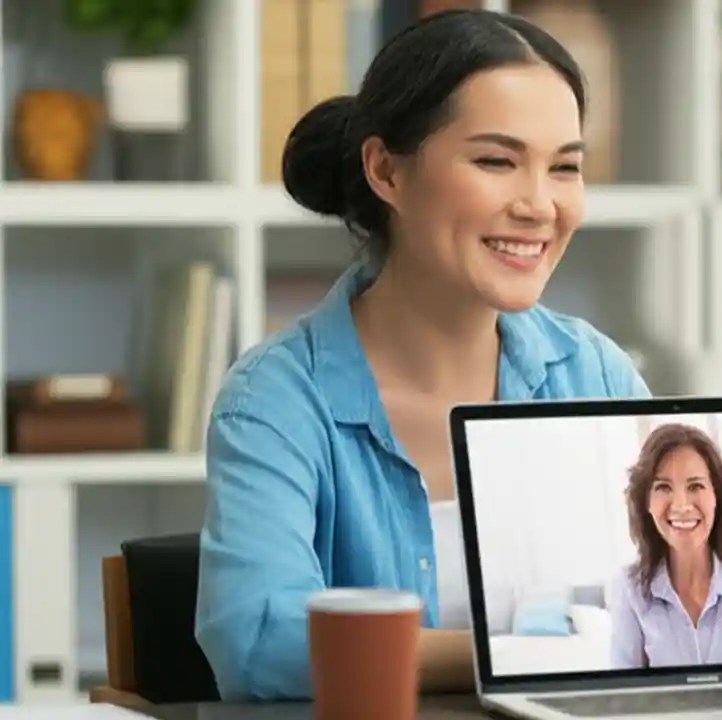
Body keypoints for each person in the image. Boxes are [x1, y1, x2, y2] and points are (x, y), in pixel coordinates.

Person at [193, 9, 650, 702]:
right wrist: (519, 655)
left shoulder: (597, 375)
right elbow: (260, 641)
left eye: (565, 168)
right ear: (387, 172)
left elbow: (665, 604)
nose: (539, 205)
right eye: (496, 161)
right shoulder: (277, 400)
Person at [609, 423, 722, 668]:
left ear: (718, 496)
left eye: (696, 486)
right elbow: (625, 697)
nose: (681, 505)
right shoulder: (629, 589)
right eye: (663, 487)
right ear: (646, 502)